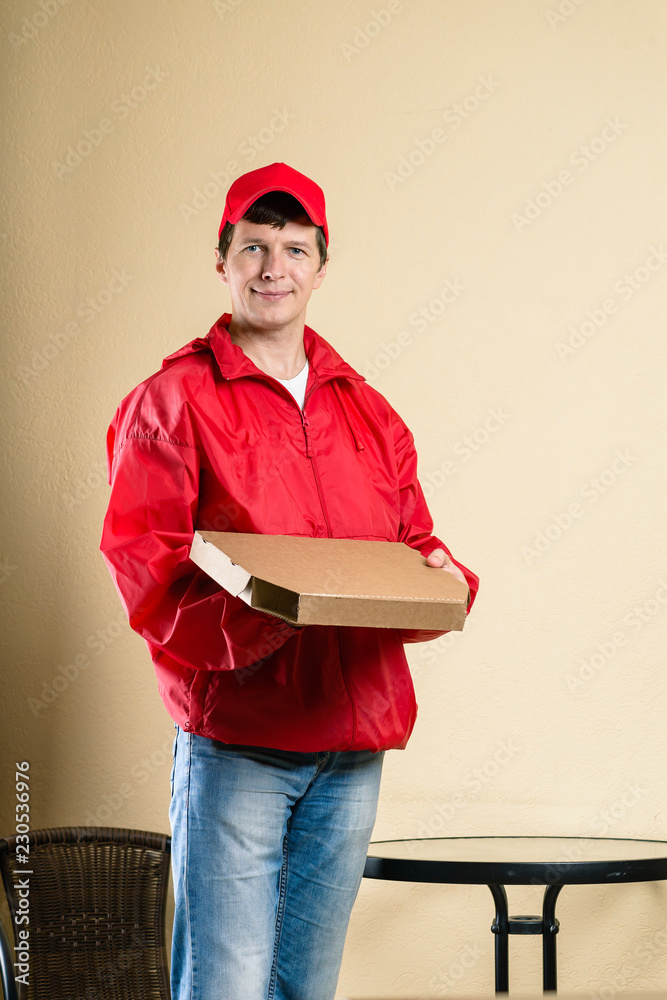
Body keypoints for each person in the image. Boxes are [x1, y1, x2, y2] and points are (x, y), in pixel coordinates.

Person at [100, 161, 479, 1000]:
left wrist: (442, 576)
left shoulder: (369, 414)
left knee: (306, 986)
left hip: (351, 741)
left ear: (320, 266)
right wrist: (269, 621)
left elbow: (407, 543)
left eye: (294, 249)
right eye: (254, 248)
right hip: (239, 742)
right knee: (227, 986)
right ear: (223, 262)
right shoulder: (172, 401)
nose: (274, 266)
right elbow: (145, 564)